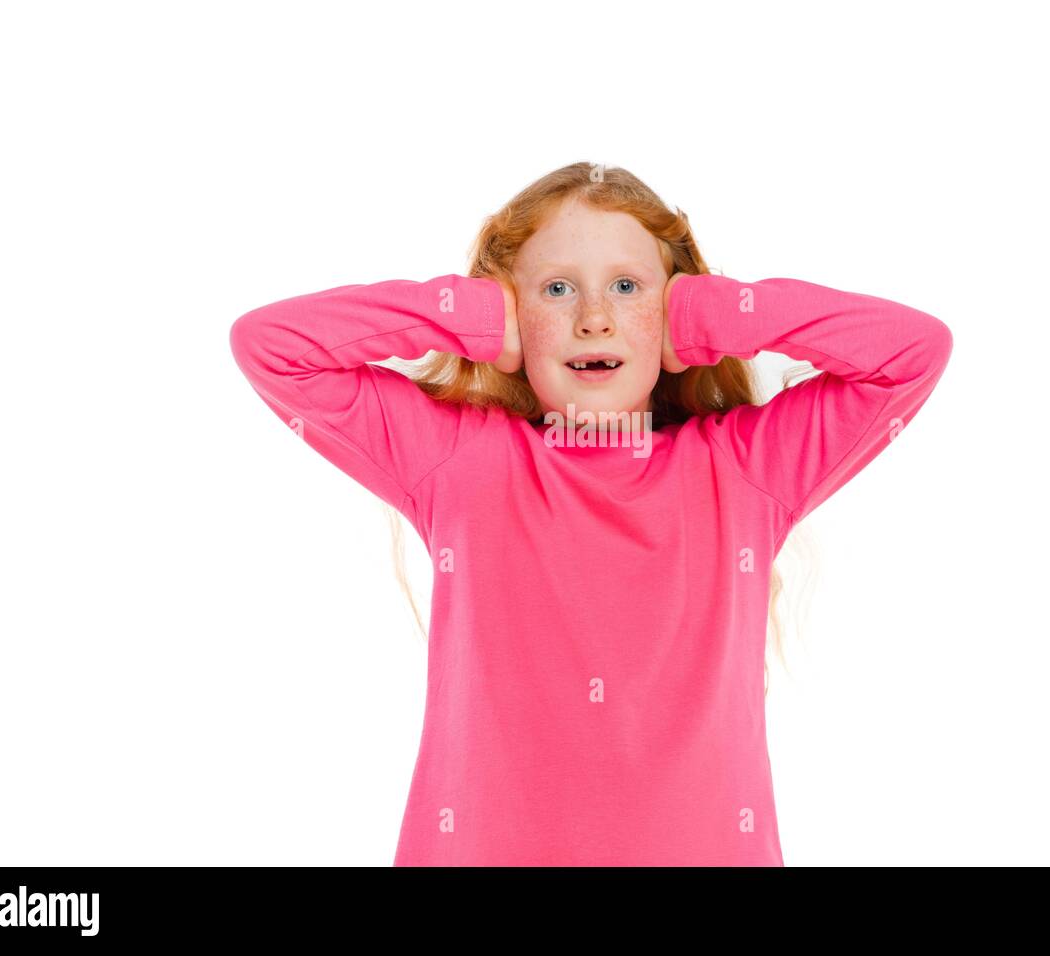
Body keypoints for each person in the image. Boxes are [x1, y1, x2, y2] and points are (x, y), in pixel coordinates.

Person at [228, 161, 953, 866]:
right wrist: (477, 318)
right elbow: (272, 347)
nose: (595, 319)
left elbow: (913, 352)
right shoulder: (462, 464)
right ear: (514, 313)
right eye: (556, 289)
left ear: (672, 311)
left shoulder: (743, 471)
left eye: (629, 287)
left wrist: (708, 313)